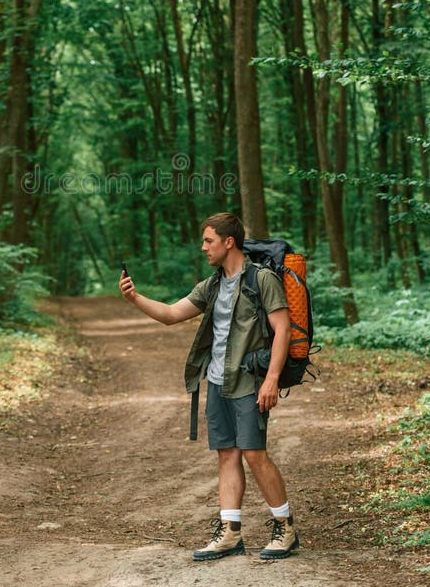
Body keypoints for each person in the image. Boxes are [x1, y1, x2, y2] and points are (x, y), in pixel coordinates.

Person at [119, 212, 299, 561]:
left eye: (208, 241)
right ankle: (230, 532)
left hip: (249, 381)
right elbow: (172, 314)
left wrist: (272, 379)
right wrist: (134, 298)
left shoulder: (261, 280)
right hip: (217, 382)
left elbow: (283, 330)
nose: (203, 248)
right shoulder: (212, 284)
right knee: (227, 454)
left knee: (254, 455)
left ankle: (285, 527)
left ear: (228, 242)